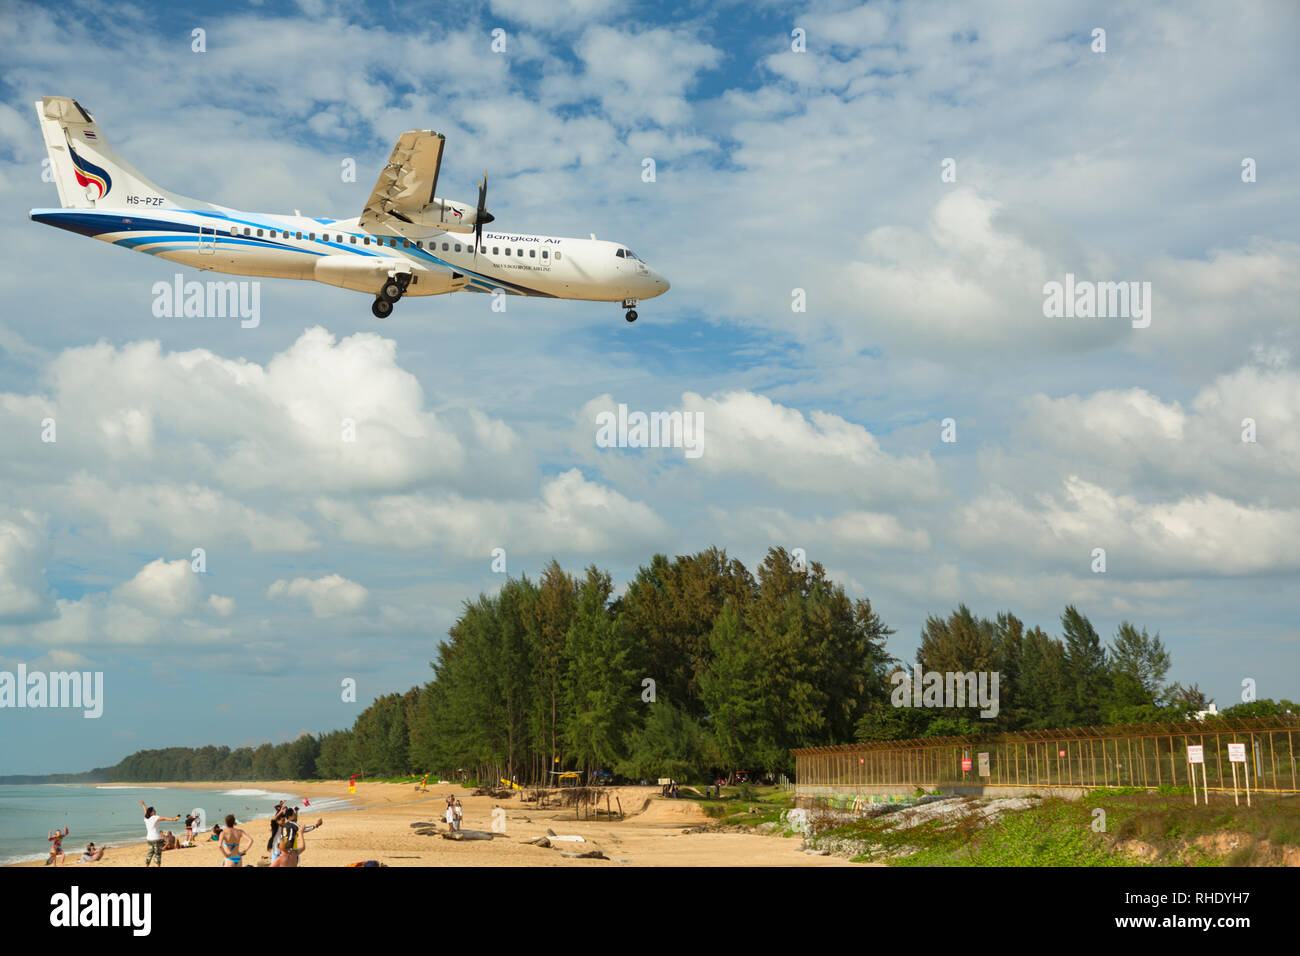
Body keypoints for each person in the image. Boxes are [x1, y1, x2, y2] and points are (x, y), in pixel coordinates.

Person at [139, 800, 180, 866]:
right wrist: (173, 819)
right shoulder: (155, 817)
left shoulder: (146, 819)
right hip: (156, 839)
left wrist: (143, 804)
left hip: (149, 839)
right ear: (152, 812)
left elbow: (145, 811)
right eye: (154, 810)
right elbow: (164, 818)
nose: (155, 811)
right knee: (157, 854)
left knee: (150, 854)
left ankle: (146, 866)